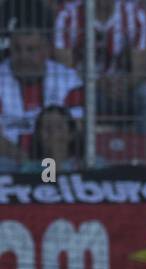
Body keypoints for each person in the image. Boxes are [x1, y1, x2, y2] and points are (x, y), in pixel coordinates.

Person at [52, 0, 146, 143]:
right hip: (81, 86)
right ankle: (76, 152)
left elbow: (140, 69)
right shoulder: (67, 16)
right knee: (61, 92)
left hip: (118, 85)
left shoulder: (134, 15)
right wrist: (96, 83)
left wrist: (125, 83)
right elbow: (64, 69)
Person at [0, 5, 83, 171]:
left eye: (31, 50)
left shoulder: (68, 79)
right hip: (12, 159)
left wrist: (50, 165)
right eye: (17, 49)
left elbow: (76, 128)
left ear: (46, 51)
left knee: (93, 164)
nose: (23, 57)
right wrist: (26, 162)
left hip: (59, 158)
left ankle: (48, 187)